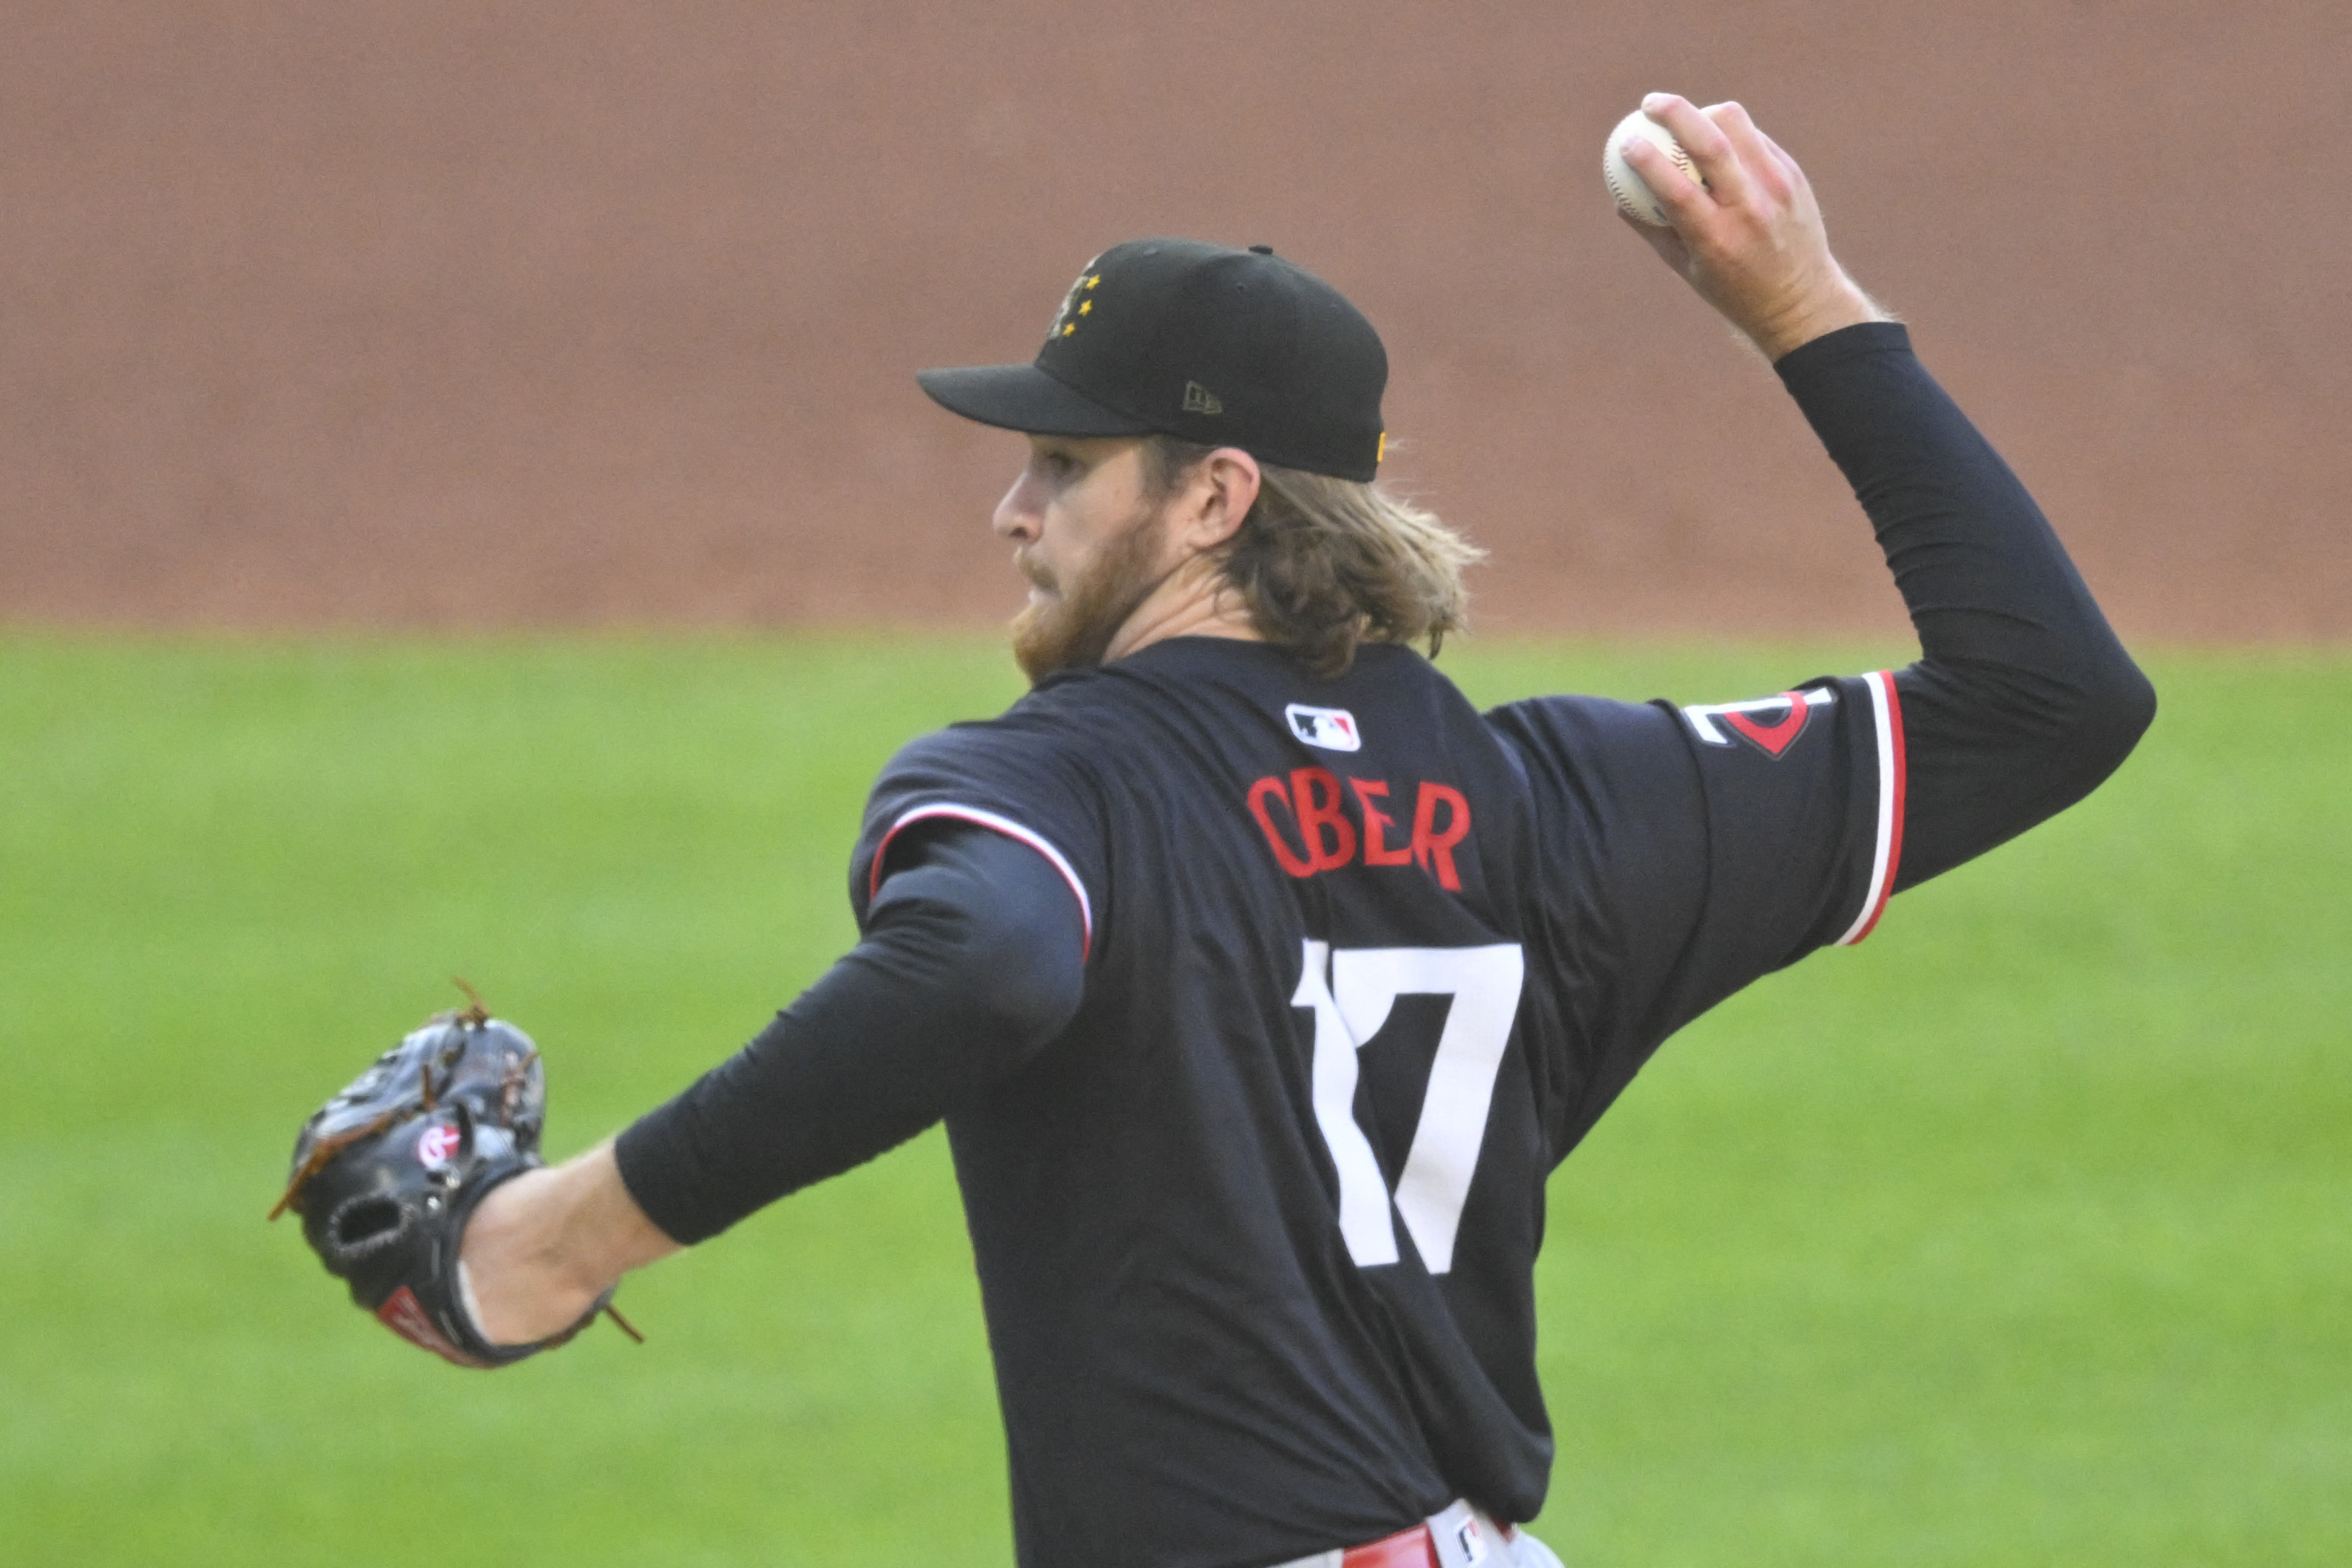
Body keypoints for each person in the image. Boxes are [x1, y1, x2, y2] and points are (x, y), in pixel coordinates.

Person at [458, 95, 2154, 1568]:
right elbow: (2051, 694)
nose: (1010, 508)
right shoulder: (1556, 802)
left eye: (1061, 461)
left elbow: (984, 958)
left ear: (1212, 497)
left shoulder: (1054, 780)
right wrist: (1801, 307)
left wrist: (560, 1234)